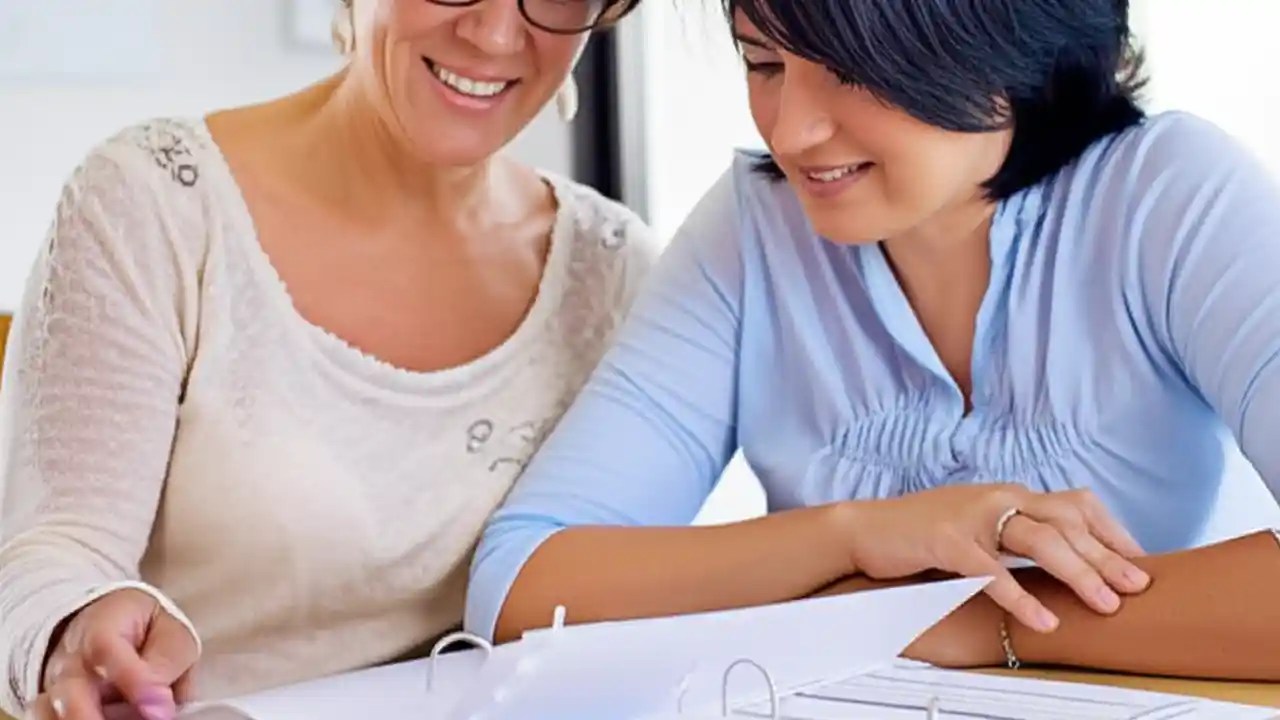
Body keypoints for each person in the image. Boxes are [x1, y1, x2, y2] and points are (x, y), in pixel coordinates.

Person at [466, 0, 1280, 682]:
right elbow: (521, 588)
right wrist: (854, 535)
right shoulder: (757, 228)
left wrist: (967, 624)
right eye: (764, 64)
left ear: (1008, 44)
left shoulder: (1170, 193)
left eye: (853, 70)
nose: (793, 131)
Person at [0, 0, 655, 718]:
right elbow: (52, 556)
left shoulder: (616, 273)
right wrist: (74, 630)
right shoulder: (154, 204)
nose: (496, 33)